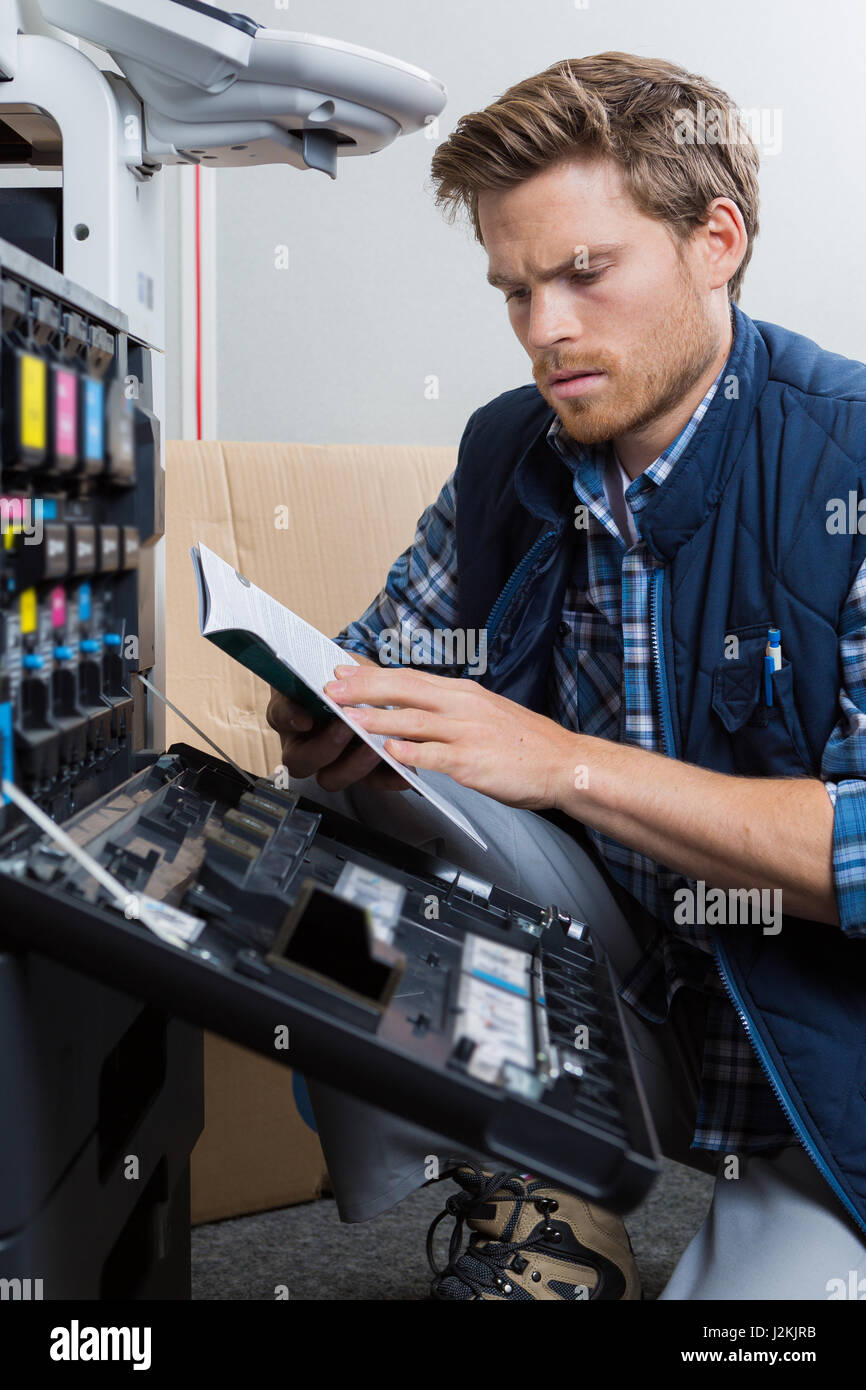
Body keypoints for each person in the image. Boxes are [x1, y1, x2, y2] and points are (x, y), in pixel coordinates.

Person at [266, 52, 866, 1300]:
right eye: (514, 290)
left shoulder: (845, 458)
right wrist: (320, 699)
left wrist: (562, 763)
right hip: (605, 983)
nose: (546, 331)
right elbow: (394, 660)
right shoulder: (509, 450)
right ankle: (544, 1188)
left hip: (819, 1038)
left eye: (584, 274)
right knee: (347, 798)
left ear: (714, 240)